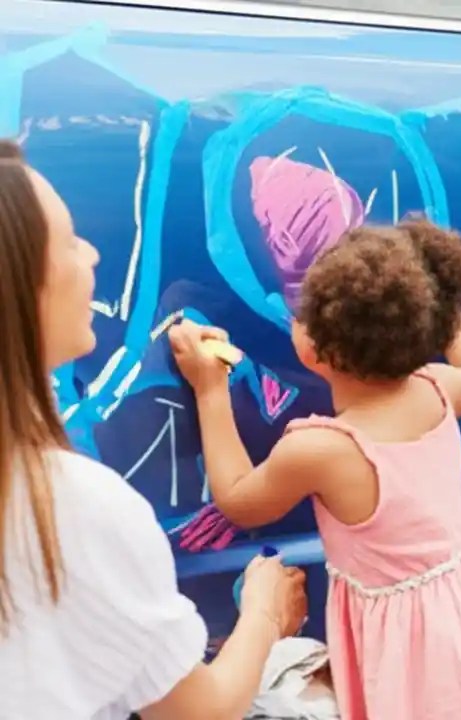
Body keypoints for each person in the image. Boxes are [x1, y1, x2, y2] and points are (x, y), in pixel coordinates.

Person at [168, 218, 461, 720]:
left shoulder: (323, 449)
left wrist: (210, 390)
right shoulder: (438, 388)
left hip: (406, 645)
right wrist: (430, 289)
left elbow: (236, 497)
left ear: (312, 349)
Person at [0, 138, 308, 719]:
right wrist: (265, 614)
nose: (91, 255)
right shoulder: (75, 505)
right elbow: (199, 712)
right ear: (19, 289)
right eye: (68, 243)